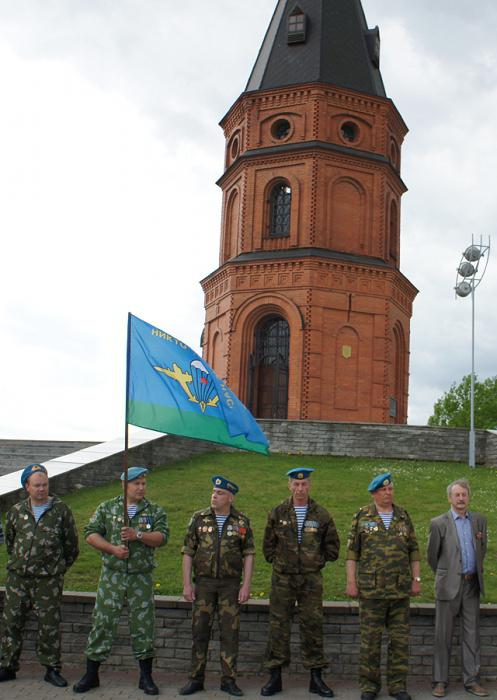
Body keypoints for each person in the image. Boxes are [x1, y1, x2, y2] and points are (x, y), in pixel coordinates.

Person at [73, 466, 169, 696]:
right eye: (136, 483)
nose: (141, 487)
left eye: (144, 483)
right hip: (112, 575)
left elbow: (162, 538)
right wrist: (112, 549)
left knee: (143, 625)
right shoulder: (107, 507)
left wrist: (138, 535)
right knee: (103, 622)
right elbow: (90, 533)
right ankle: (91, 674)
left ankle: (145, 677)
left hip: (141, 577)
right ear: (124, 485)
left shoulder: (154, 510)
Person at [261, 467, 340, 698]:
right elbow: (268, 545)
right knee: (278, 626)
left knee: (312, 625)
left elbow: (333, 547)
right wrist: (279, 561)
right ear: (289, 486)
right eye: (295, 484)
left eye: (304, 484)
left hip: (310, 580)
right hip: (282, 578)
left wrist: (316, 561)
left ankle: (316, 678)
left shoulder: (321, 514)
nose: (300, 489)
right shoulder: (278, 511)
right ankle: (275, 677)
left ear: (310, 486)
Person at [0, 463, 79, 686]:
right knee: (11, 623)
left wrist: (57, 569)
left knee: (49, 625)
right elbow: (11, 542)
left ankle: (51, 669)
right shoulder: (16, 512)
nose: (42, 489)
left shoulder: (61, 510)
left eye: (45, 484)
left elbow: (71, 546)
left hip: (48, 580)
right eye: (37, 485)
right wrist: (21, 563)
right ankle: (7, 666)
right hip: (18, 579)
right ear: (27, 486)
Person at [346, 472, 420, 700]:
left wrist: (416, 580)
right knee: (371, 641)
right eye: (383, 490)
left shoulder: (403, 516)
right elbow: (352, 553)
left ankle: (398, 686)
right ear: (374, 493)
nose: (388, 493)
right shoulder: (362, 516)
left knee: (399, 641)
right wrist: (351, 581)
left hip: (399, 590)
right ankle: (369, 686)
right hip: (371, 591)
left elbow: (413, 551)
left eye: (390, 489)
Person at [179, 475, 255, 697]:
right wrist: (187, 584)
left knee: (230, 634)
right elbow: (188, 552)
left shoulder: (241, 521)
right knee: (199, 632)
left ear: (230, 497)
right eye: (213, 491)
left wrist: (246, 585)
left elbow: (249, 554)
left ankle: (228, 680)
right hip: (204, 584)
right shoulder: (199, 518)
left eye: (220, 493)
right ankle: (195, 679)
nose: (214, 495)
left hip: (230, 586)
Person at [427, 479, 488, 698]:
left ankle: (472, 680)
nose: (461, 498)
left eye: (464, 494)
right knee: (443, 635)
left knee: (472, 635)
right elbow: (432, 556)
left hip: (472, 584)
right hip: (448, 586)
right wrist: (446, 574)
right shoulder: (438, 523)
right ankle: (440, 681)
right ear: (450, 498)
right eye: (457, 495)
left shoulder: (479, 521)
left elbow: (483, 549)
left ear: (468, 497)